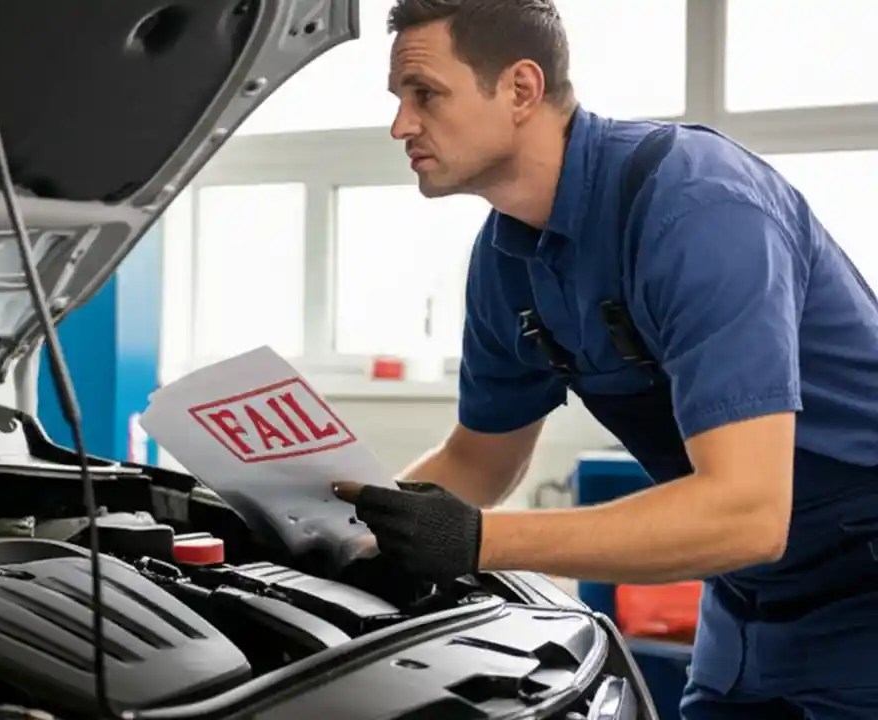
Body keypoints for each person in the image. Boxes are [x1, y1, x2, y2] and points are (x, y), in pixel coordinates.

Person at [330, 1, 878, 717]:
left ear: (521, 89)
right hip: (746, 601)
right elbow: (480, 462)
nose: (401, 124)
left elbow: (747, 511)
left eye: (424, 93)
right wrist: (337, 534)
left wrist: (480, 541)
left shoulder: (698, 208)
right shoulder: (506, 261)